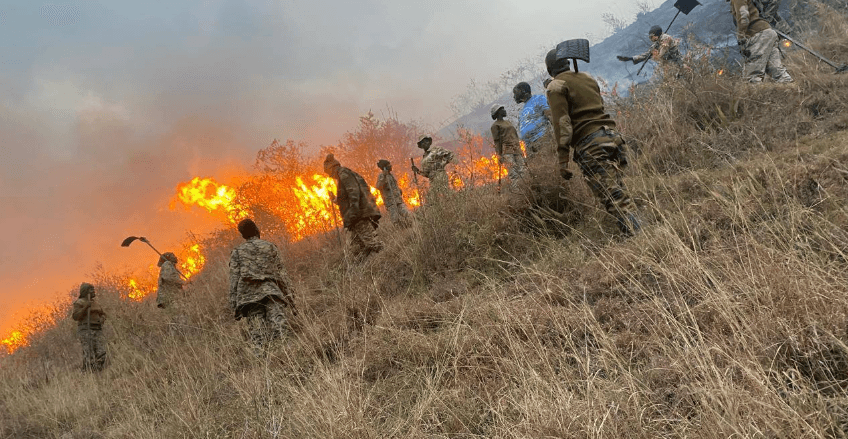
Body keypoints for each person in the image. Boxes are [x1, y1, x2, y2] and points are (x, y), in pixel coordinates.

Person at [545, 45, 641, 236]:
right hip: (613, 138)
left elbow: (562, 124)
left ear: (550, 70)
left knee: (612, 197)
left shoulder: (555, 87)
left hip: (591, 146)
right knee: (618, 190)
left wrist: (563, 160)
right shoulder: (587, 77)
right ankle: (640, 233)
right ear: (567, 63)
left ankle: (638, 237)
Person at [229, 218, 295, 354]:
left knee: (258, 337)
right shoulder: (270, 246)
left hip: (249, 297)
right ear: (257, 230)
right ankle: (286, 358)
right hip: (271, 292)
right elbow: (282, 273)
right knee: (280, 329)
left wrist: (234, 305)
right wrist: (290, 297)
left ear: (243, 235)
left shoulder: (237, 252)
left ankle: (262, 361)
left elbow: (234, 279)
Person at [324, 154, 384, 258]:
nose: (330, 176)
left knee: (373, 244)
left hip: (359, 216)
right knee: (355, 248)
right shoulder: (345, 175)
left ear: (333, 168)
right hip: (356, 217)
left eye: (329, 173)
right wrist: (334, 199)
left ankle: (388, 257)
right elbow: (346, 200)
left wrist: (353, 212)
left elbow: (354, 193)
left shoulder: (344, 174)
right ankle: (369, 263)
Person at [727, 0, 793, 83]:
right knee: (777, 70)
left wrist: (741, 38)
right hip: (768, 32)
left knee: (752, 76)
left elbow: (743, 17)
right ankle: (790, 87)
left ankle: (753, 91)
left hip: (758, 34)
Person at [490, 104, 527, 191]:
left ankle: (525, 189)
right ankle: (516, 191)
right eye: (502, 109)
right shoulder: (495, 126)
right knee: (513, 173)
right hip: (507, 151)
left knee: (523, 170)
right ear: (498, 112)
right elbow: (497, 142)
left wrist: (520, 149)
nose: (504, 110)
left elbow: (516, 136)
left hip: (516, 149)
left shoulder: (508, 122)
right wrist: (499, 156)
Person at [617, 26, 683, 74]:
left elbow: (662, 52)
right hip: (670, 67)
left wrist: (656, 55)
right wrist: (631, 58)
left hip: (677, 65)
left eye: (652, 36)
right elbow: (647, 54)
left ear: (656, 35)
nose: (651, 38)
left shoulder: (665, 38)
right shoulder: (657, 43)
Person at [71, 283, 107, 371]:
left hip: (97, 329)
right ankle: (87, 372)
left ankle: (98, 370)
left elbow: (103, 314)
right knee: (89, 353)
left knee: (101, 352)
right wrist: (85, 307)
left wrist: (102, 319)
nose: (94, 291)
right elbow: (75, 317)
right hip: (86, 330)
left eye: (93, 289)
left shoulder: (95, 303)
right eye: (91, 290)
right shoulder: (79, 303)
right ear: (85, 291)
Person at [512, 82, 553, 157]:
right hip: (530, 146)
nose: (514, 96)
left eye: (515, 93)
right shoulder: (522, 110)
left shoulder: (539, 99)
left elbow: (550, 115)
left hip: (543, 141)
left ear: (523, 91)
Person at [411, 135, 455, 202]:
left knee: (444, 196)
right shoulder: (424, 159)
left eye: (426, 140)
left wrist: (442, 164)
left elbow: (450, 155)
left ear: (429, 142)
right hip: (432, 180)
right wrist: (417, 171)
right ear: (421, 145)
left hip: (440, 176)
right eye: (422, 142)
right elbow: (427, 174)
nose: (425, 143)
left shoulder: (436, 150)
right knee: (433, 199)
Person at [375, 159, 412, 227]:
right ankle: (399, 231)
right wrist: (384, 177)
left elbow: (394, 186)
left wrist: (399, 191)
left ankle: (410, 226)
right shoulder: (382, 176)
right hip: (391, 202)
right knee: (395, 220)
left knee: (407, 214)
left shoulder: (390, 175)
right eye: (389, 165)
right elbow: (378, 186)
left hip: (398, 201)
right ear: (385, 167)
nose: (391, 166)